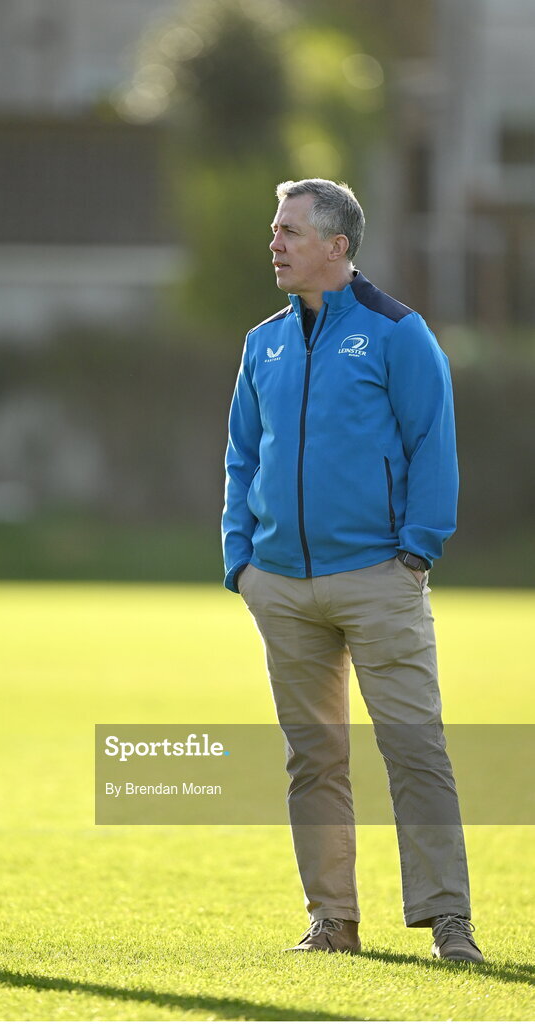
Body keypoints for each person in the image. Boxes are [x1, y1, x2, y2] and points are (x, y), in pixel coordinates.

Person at [222, 178, 483, 962]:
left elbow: (431, 443)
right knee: (313, 759)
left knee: (414, 749)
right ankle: (331, 922)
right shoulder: (260, 341)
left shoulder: (398, 332)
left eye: (290, 231)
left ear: (336, 247)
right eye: (274, 229)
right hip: (280, 585)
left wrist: (416, 549)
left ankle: (447, 919)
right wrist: (241, 559)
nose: (275, 242)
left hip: (379, 576)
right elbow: (241, 455)